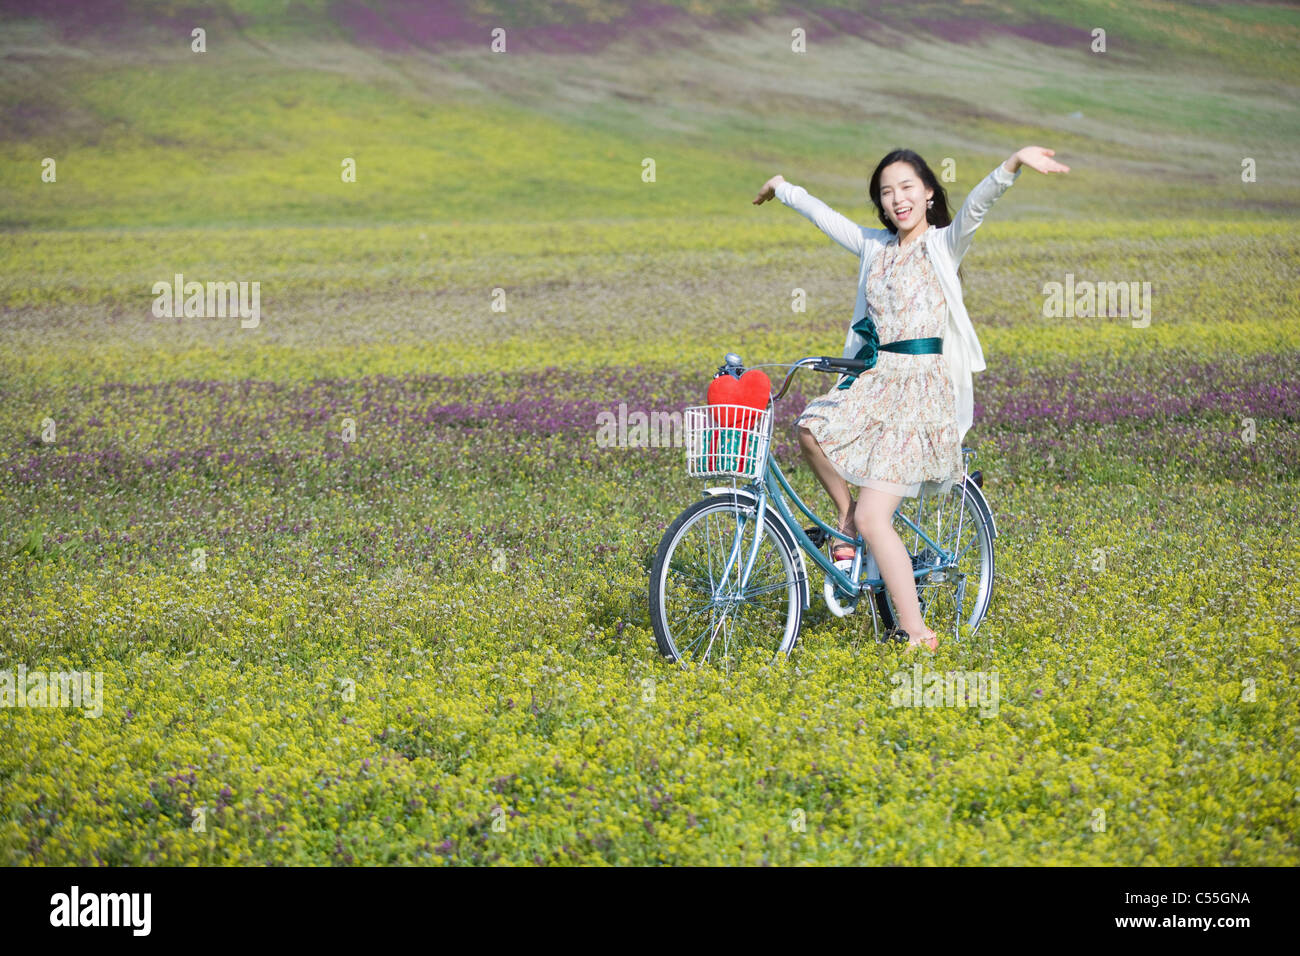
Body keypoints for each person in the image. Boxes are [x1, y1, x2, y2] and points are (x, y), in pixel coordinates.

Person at [753, 146, 1069, 650]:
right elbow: (824, 218)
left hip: (921, 393)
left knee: (876, 517)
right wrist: (782, 187)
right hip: (878, 381)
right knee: (810, 429)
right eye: (886, 192)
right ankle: (844, 518)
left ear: (927, 193)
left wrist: (1013, 162)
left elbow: (978, 207)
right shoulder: (875, 248)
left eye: (906, 188)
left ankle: (917, 632)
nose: (897, 199)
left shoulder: (943, 245)